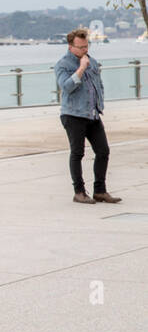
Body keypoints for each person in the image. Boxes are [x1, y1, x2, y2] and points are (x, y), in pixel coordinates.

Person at [55, 28, 120, 204]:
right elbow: (66, 87)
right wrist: (81, 68)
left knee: (103, 151)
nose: (85, 50)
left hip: (92, 114)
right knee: (77, 153)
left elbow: (99, 85)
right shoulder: (63, 65)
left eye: (86, 46)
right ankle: (79, 192)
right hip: (73, 115)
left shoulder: (93, 61)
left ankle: (100, 190)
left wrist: (99, 105)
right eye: (81, 47)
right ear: (70, 46)